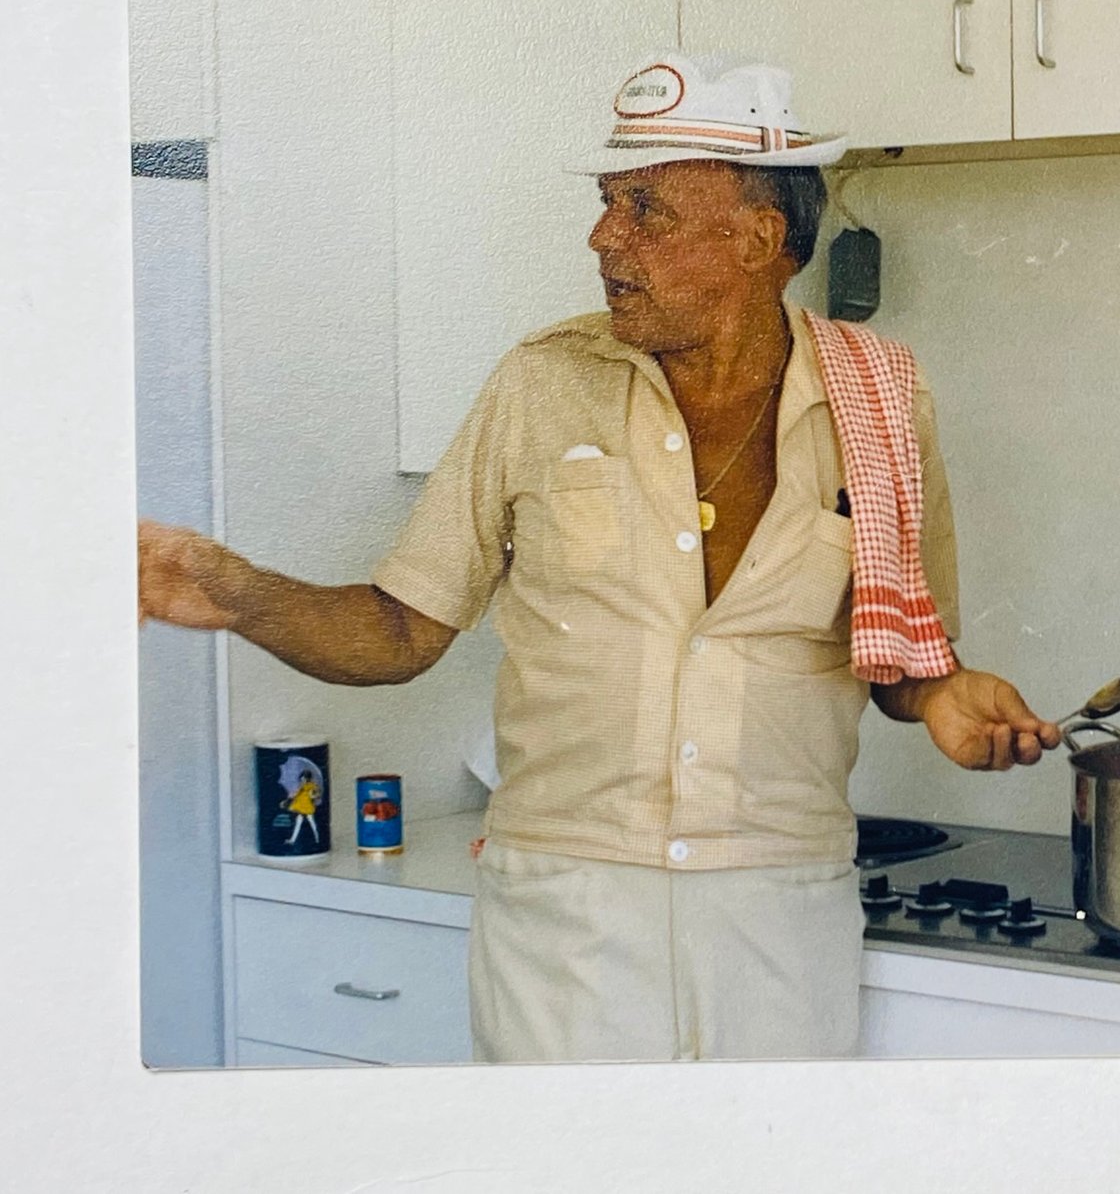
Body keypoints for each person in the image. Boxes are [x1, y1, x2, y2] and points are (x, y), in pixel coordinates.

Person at [138, 53, 1062, 1063]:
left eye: (646, 209)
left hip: (779, 913)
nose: (602, 237)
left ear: (758, 239)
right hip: (564, 917)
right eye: (606, 203)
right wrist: (237, 593)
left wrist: (939, 695)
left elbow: (898, 653)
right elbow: (400, 630)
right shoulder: (541, 386)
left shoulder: (880, 402)